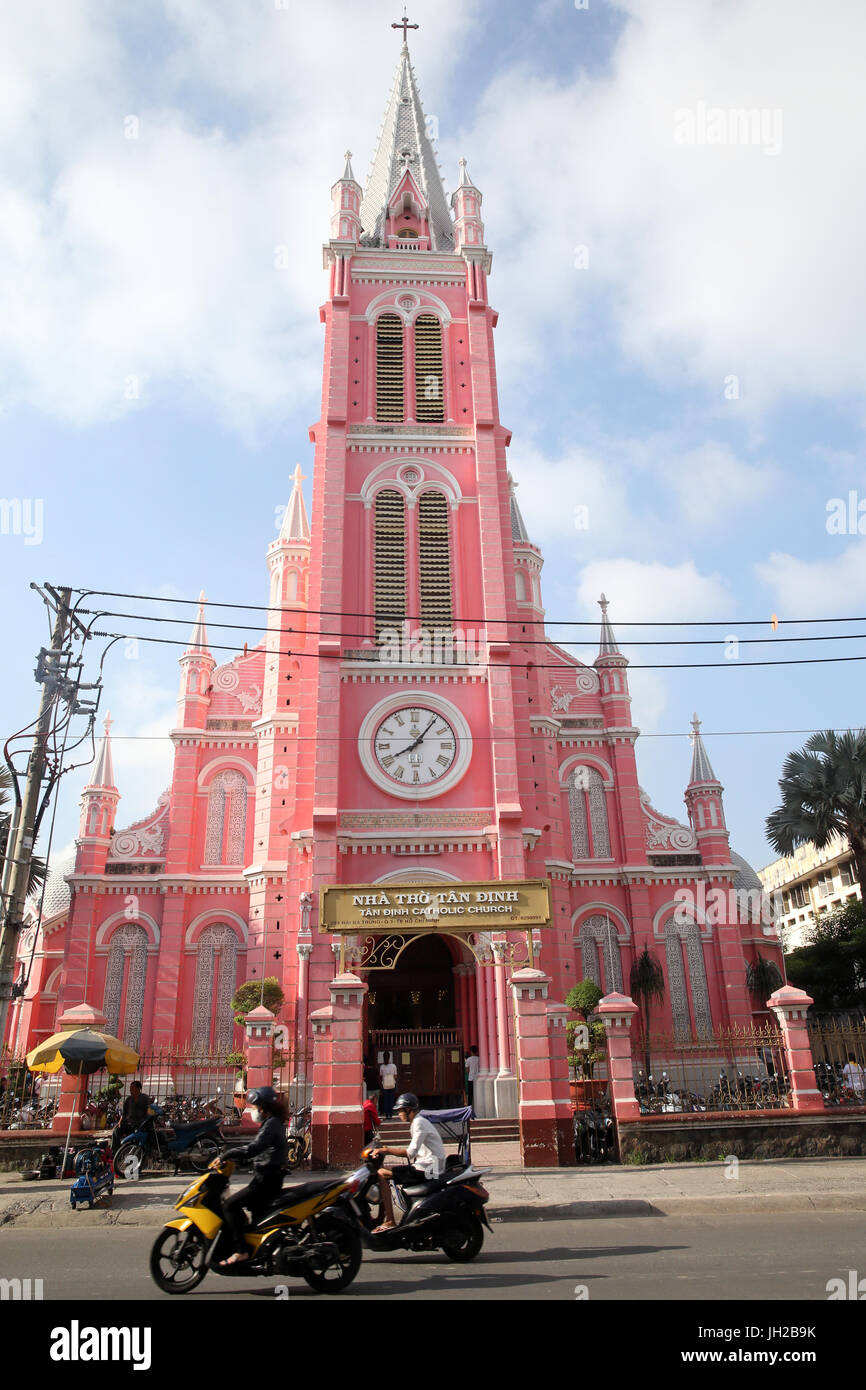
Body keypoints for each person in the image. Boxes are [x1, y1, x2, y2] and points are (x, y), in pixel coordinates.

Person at [218, 1086, 289, 1265]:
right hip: (268, 1177)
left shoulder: (271, 1124)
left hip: (265, 1181)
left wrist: (227, 1154)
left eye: (256, 1107)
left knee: (229, 1205)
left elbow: (254, 1148)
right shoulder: (273, 1122)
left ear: (264, 1108)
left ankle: (242, 1251)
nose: (254, 1110)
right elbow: (260, 1149)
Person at [371, 1092, 446, 1233]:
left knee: (381, 1174)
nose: (399, 1114)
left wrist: (386, 1150)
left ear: (409, 1110)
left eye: (400, 1110)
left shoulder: (419, 1123)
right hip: (427, 1165)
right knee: (392, 1172)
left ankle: (390, 1220)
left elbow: (410, 1153)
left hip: (428, 1168)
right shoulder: (418, 1122)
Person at [378, 1050, 398, 1119]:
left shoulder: (382, 1067)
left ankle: (386, 1114)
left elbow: (380, 1077)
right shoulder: (393, 1066)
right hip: (392, 1085)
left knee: (386, 1100)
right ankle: (390, 1114)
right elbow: (395, 1076)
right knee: (391, 1100)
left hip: (385, 1086)